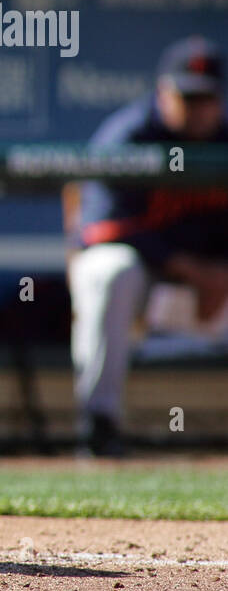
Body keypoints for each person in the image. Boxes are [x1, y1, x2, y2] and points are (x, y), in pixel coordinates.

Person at [69, 37, 228, 457]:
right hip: (146, 273)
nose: (196, 109)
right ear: (163, 92)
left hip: (214, 280)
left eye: (206, 98)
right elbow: (104, 228)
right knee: (112, 271)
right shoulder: (128, 137)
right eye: (186, 96)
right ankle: (98, 426)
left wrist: (219, 275)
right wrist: (193, 271)